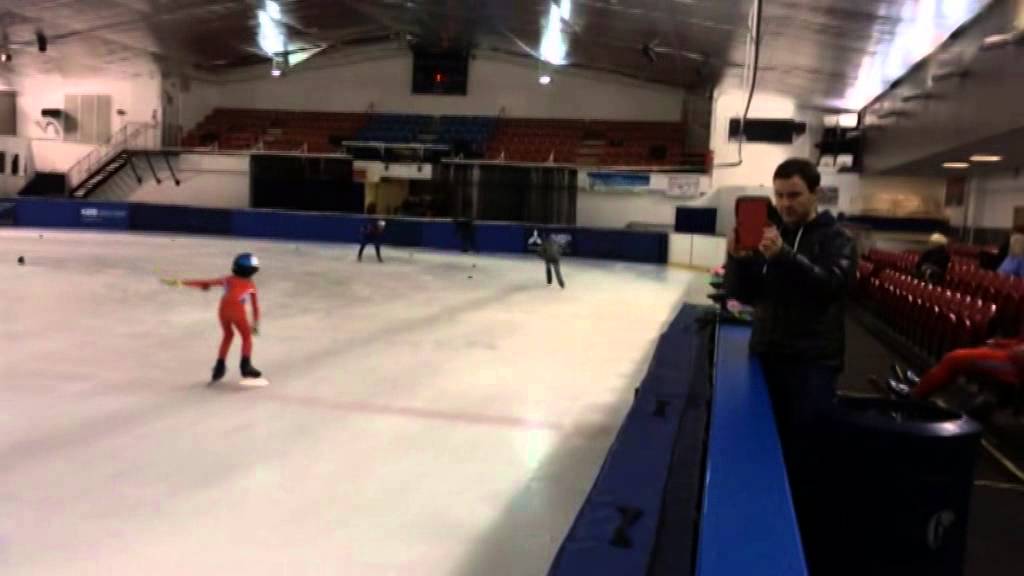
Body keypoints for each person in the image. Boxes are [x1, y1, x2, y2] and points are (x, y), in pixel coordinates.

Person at [724, 158, 856, 570]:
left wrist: (782, 257)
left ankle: (806, 544)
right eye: (779, 195)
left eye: (794, 195)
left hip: (812, 363)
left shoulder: (838, 239)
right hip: (767, 354)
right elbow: (746, 295)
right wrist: (740, 259)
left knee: (805, 456)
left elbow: (828, 287)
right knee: (763, 451)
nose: (785, 203)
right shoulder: (771, 236)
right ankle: (761, 531)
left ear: (815, 192)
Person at [163, 253, 262, 382]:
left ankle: (219, 366)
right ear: (252, 270)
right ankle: (245, 366)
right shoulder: (251, 286)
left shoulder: (227, 280)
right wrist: (255, 324)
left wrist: (180, 282)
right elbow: (255, 307)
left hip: (223, 311)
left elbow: (205, 282)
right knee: (247, 337)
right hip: (237, 312)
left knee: (228, 335)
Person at [888, 338, 1024, 401]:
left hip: (1015, 366)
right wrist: (1002, 343)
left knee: (955, 359)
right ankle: (925, 385)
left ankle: (915, 396)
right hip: (1013, 359)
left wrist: (1011, 349)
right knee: (957, 357)